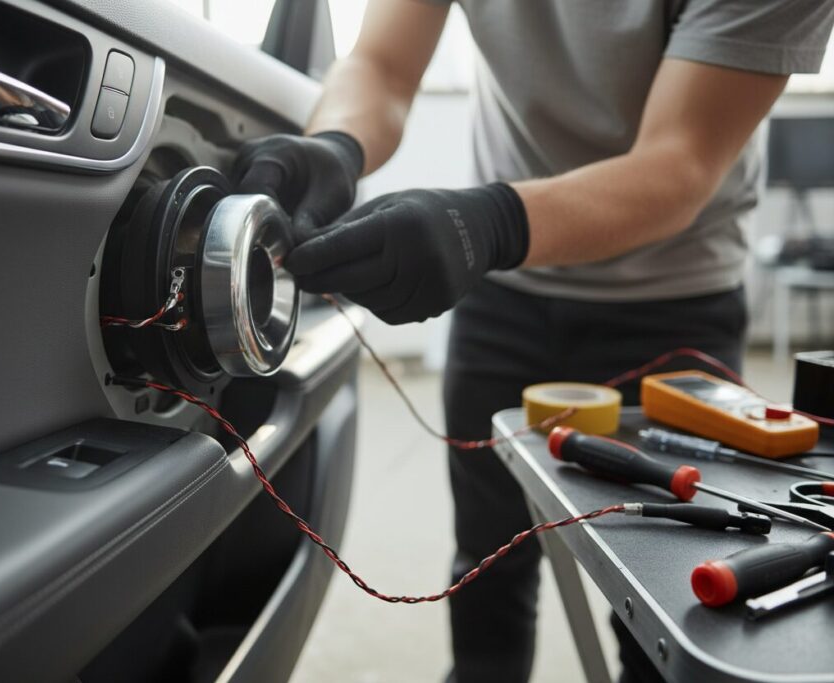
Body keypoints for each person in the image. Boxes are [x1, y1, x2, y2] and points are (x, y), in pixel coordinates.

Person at [233, 2, 834, 681]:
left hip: (673, 307)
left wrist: (485, 224)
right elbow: (382, 62)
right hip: (504, 292)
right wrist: (338, 143)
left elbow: (681, 161)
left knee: (664, 610)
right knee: (486, 567)